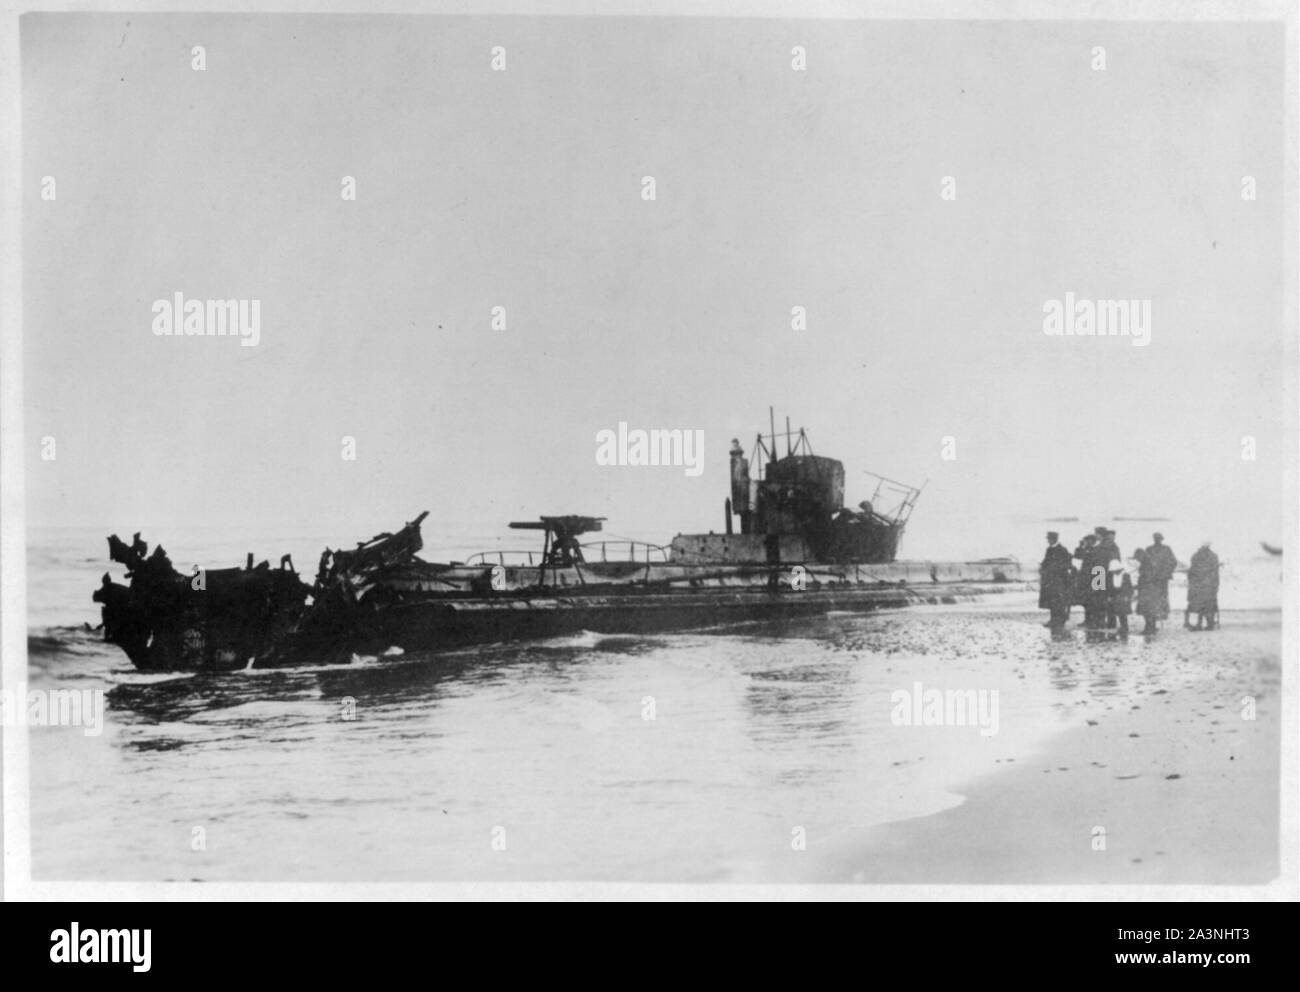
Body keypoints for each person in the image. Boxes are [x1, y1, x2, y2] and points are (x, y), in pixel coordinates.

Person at [1038, 531, 1074, 629]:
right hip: (1050, 579)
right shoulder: (1049, 549)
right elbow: (1046, 562)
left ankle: (1060, 620)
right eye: (1048, 539)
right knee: (1052, 600)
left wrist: (1056, 569)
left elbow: (1067, 564)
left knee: (1059, 600)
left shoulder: (1062, 550)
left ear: (1054, 539)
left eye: (1049, 539)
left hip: (1060, 579)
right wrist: (1042, 567)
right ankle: (1054, 619)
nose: (1048, 541)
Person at [1143, 532, 1177, 623]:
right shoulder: (1149, 549)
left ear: (1161, 539)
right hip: (1153, 577)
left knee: (1163, 594)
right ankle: (1156, 612)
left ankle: (1164, 612)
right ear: (1153, 539)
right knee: (1154, 595)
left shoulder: (1166, 549)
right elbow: (1145, 563)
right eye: (1156, 538)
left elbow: (1173, 562)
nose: (1157, 540)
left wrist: (1167, 571)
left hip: (1163, 577)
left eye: (1159, 538)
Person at [1185, 542, 1220, 630]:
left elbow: (1192, 571)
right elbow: (1215, 572)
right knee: (1209, 605)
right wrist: (1216, 584)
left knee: (1200, 605)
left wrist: (1191, 582)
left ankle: (1200, 624)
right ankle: (1209, 623)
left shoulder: (1196, 556)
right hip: (1208, 585)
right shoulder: (1213, 556)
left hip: (1199, 585)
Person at [1133, 548, 1160, 634]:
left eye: (1137, 558)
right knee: (1151, 609)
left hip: (1147, 589)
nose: (1137, 560)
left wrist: (1139, 585)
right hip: (1152, 588)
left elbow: (1147, 577)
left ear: (1141, 555)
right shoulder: (1149, 561)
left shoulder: (1146, 564)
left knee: (1146, 609)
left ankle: (1149, 627)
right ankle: (1152, 627)